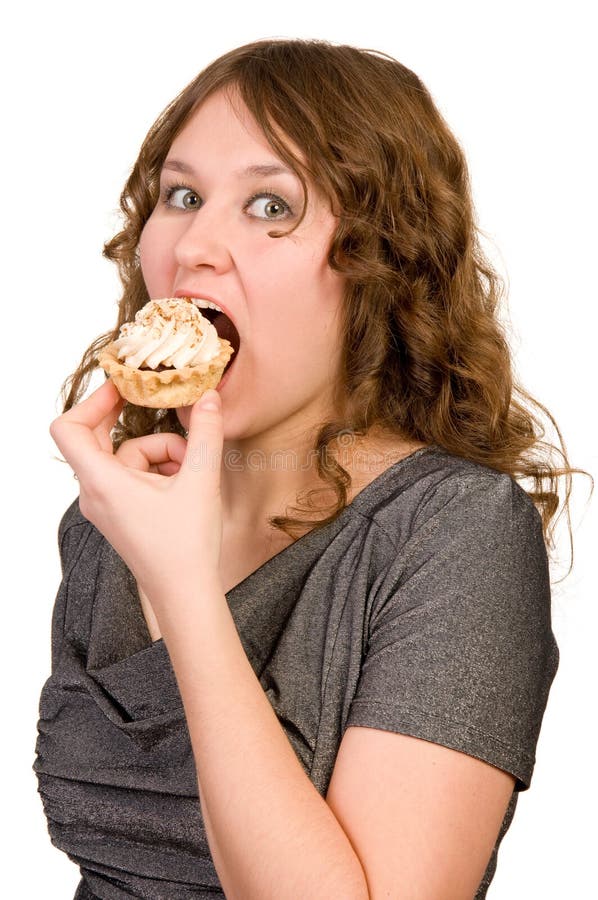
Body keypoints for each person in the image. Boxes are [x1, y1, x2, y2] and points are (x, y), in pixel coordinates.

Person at [34, 38, 574, 899]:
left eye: (269, 205)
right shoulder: (112, 520)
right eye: (182, 196)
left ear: (379, 266)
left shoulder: (457, 532)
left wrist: (182, 586)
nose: (195, 245)